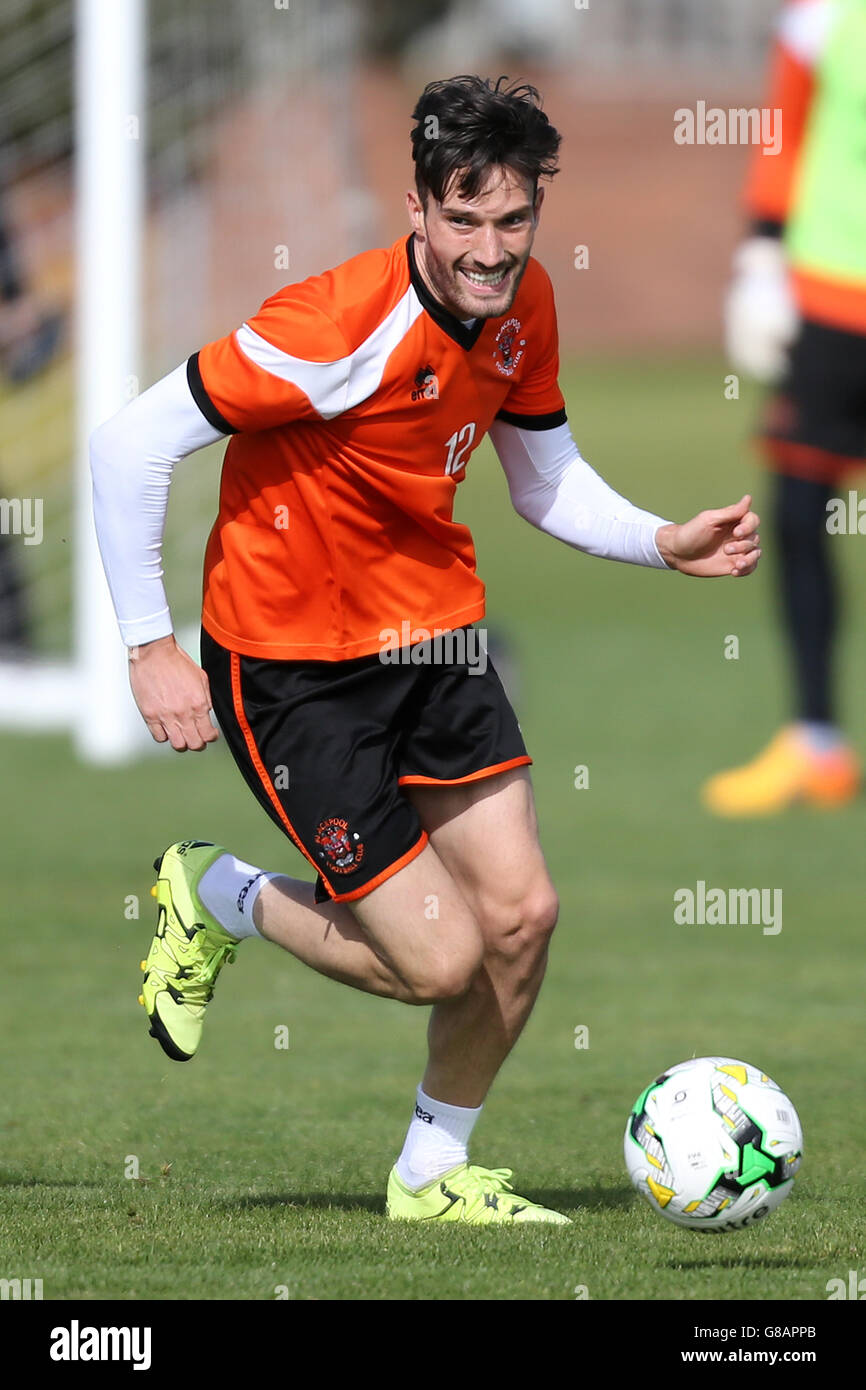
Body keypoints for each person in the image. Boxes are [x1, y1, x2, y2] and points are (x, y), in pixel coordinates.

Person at [91, 76, 760, 1225]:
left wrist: (662, 540)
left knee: (521, 917)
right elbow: (127, 447)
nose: (490, 250)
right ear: (415, 206)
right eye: (463, 220)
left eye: (512, 220)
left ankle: (429, 1175)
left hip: (435, 641)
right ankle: (215, 894)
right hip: (291, 669)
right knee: (439, 961)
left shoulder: (522, 305)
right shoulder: (330, 325)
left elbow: (542, 480)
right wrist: (152, 648)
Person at [702, 0, 862, 816]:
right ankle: (816, 740)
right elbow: (784, 132)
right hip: (830, 298)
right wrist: (762, 254)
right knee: (800, 517)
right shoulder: (821, 17)